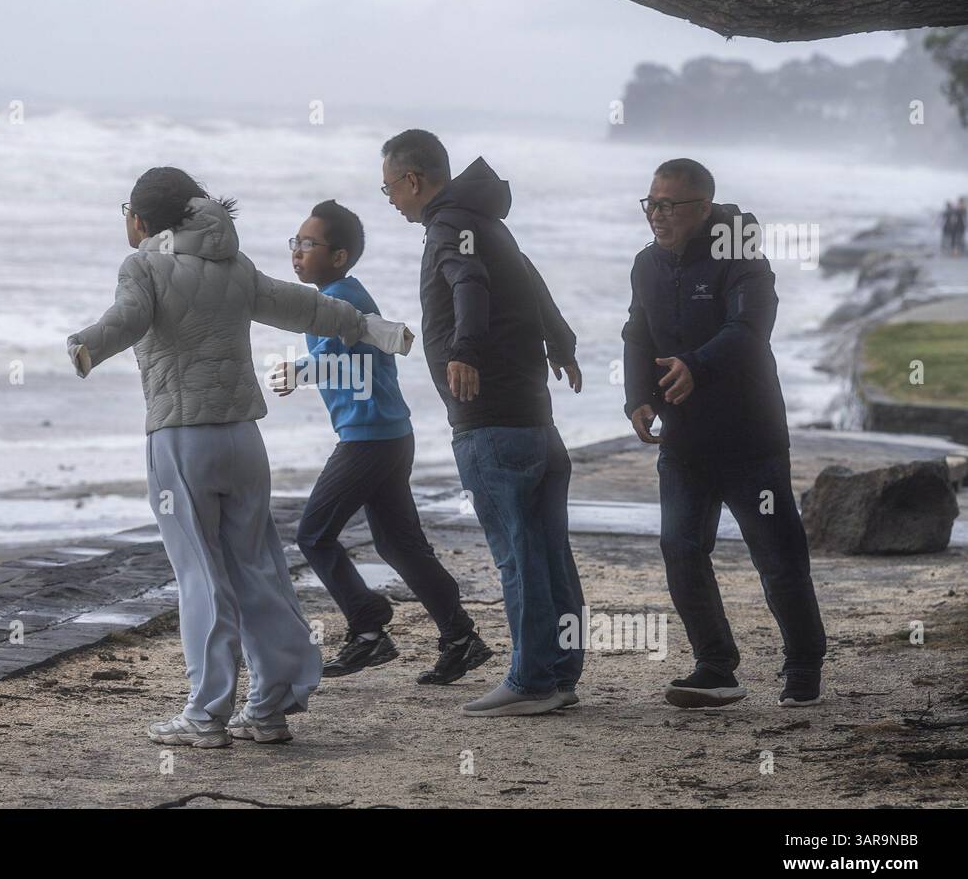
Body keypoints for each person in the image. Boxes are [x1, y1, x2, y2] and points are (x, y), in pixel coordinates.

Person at [67, 168, 413, 748]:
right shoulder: (235, 266)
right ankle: (269, 707)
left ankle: (205, 717)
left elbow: (125, 319)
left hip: (183, 439)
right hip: (243, 441)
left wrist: (85, 345)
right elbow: (303, 307)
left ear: (142, 219)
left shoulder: (143, 265)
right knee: (257, 569)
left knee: (201, 575)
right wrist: (371, 328)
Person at [380, 129, 586, 717]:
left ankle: (530, 681)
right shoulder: (489, 221)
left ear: (413, 180)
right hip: (535, 419)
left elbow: (470, 283)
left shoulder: (447, 224)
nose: (391, 198)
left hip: (491, 420)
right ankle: (561, 674)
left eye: (389, 187)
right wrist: (562, 344)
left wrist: (463, 350)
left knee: (518, 554)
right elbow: (531, 280)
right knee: (550, 551)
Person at [621, 157, 827, 709]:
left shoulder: (743, 256)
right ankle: (715, 667)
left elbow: (750, 329)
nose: (656, 215)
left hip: (748, 436)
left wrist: (695, 365)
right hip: (684, 440)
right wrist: (637, 396)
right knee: (681, 549)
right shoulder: (646, 264)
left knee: (777, 557)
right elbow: (637, 329)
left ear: (703, 207)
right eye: (651, 203)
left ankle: (804, 664)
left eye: (669, 205)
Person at [268, 199, 493, 684]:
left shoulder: (344, 297)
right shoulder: (333, 294)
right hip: (388, 436)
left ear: (340, 255)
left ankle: (369, 628)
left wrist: (297, 371)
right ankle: (461, 638)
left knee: (314, 534)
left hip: (370, 441)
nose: (297, 252)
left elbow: (332, 350)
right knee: (401, 546)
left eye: (309, 244)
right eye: (295, 243)